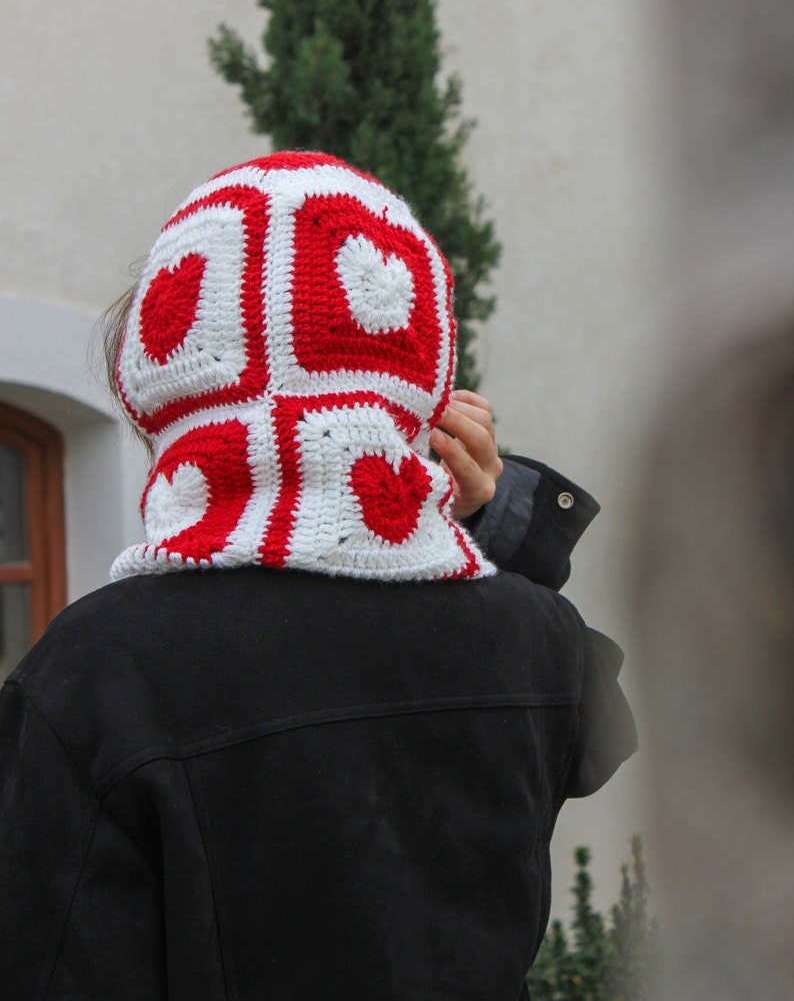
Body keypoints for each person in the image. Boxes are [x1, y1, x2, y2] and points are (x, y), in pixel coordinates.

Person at [0, 152, 636, 1000]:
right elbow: (599, 735)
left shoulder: (96, 668)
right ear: (412, 373)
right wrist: (492, 524)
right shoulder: (532, 635)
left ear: (168, 376)